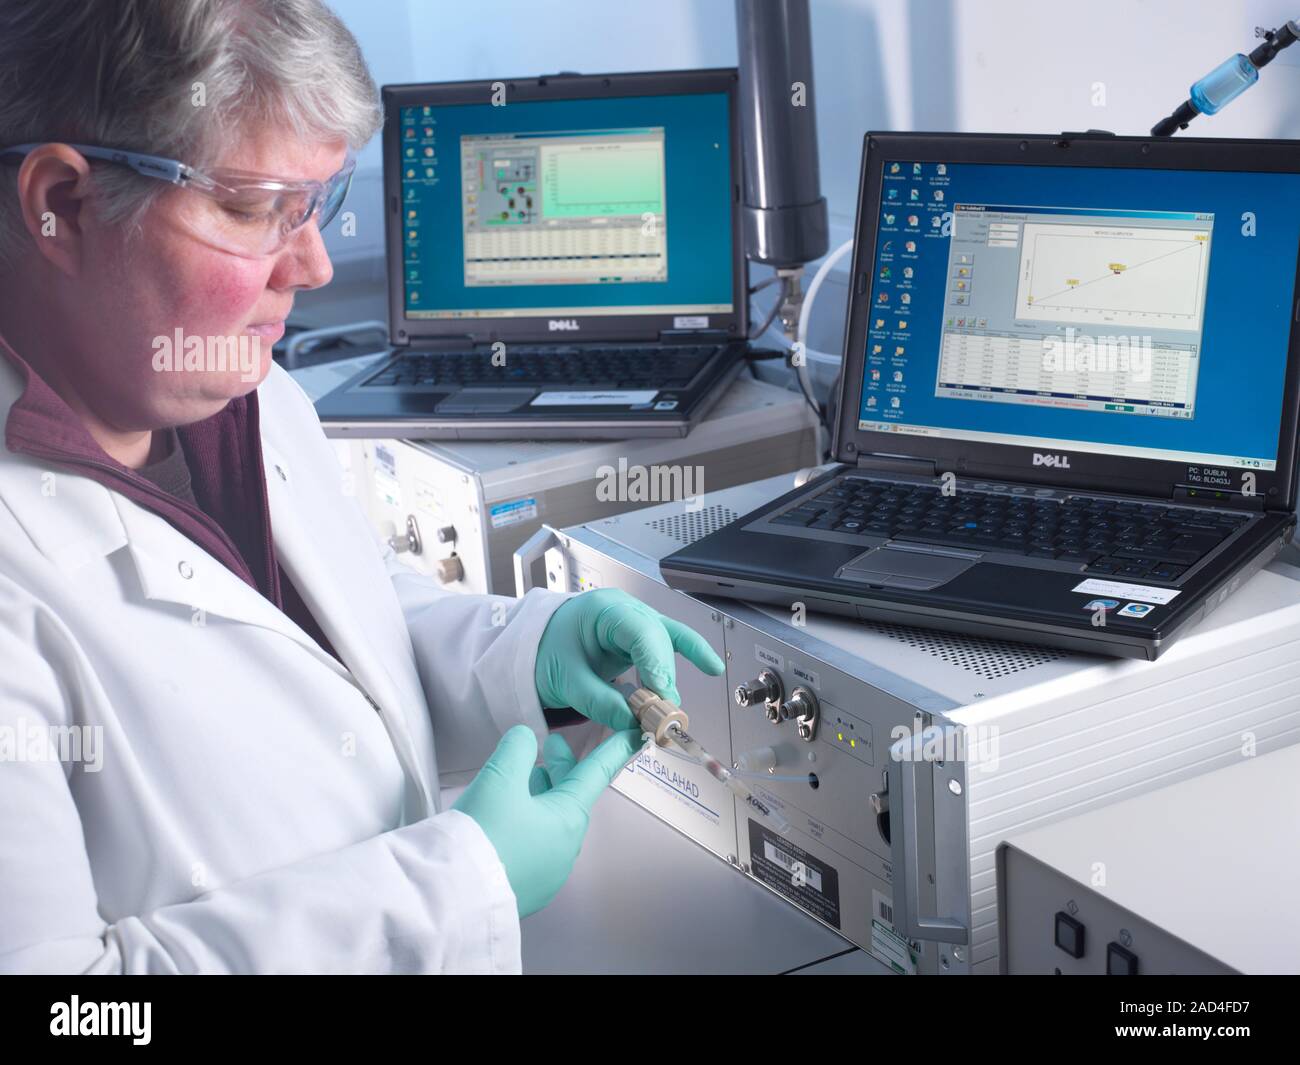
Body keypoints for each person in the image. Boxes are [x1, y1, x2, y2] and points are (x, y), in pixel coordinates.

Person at [0, 0, 724, 974]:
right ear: (65, 204)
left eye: (317, 204)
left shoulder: (246, 397)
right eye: (257, 208)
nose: (314, 262)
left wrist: (529, 653)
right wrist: (454, 893)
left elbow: (353, 625)